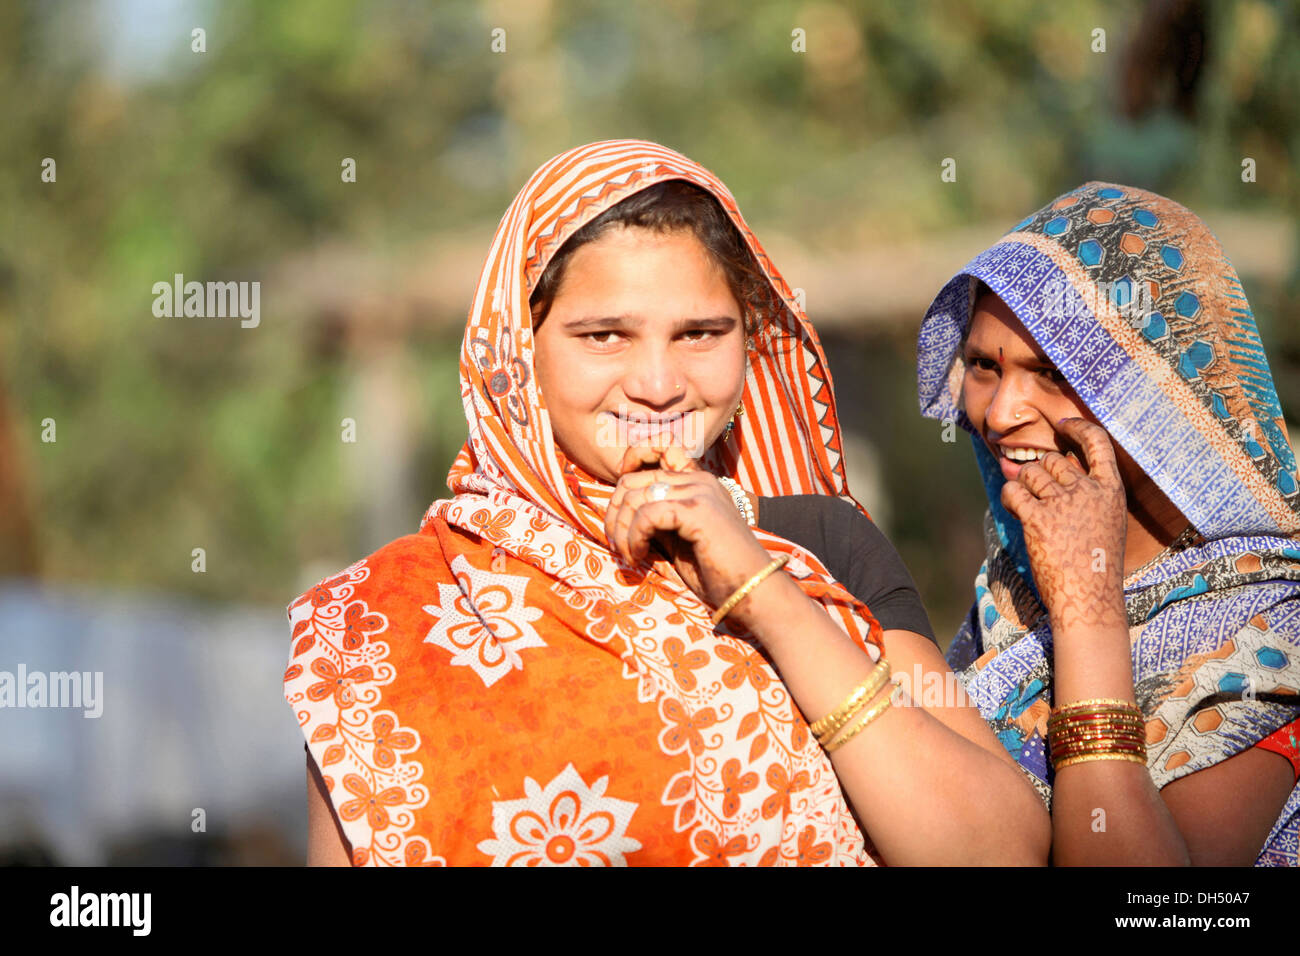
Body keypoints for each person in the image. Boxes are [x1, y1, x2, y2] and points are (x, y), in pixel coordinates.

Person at [286, 139, 1046, 866]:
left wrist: (761, 591)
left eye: (701, 333)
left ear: (749, 338)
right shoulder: (390, 621)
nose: (658, 383)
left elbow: (1000, 851)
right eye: (604, 335)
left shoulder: (821, 545)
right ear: (520, 352)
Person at [917, 181, 1300, 865]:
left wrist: (1087, 615)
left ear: (1157, 390)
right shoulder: (1010, 585)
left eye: (1053, 372)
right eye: (983, 366)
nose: (1002, 413)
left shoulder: (1274, 626)